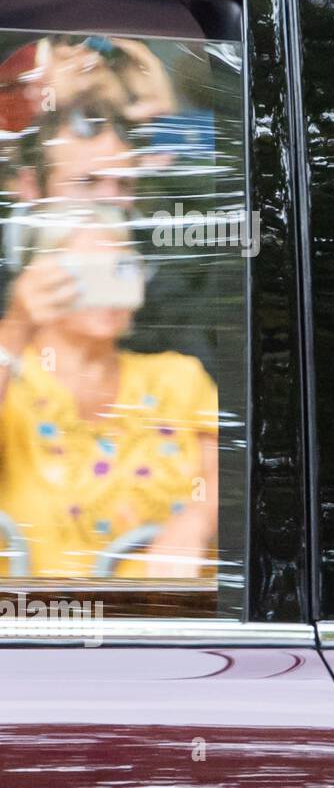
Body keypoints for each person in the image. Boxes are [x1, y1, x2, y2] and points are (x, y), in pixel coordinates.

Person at [0, 206, 218, 578]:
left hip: (176, 622)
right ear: (39, 281)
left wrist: (197, 519)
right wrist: (17, 325)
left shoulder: (178, 377)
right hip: (43, 627)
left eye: (122, 268)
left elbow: (227, 478)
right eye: (87, 272)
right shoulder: (12, 385)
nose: (111, 289)